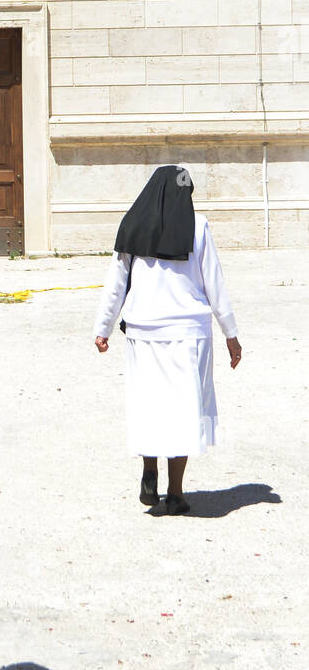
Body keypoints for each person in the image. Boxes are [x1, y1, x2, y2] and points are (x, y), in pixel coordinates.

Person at [93, 164, 242, 514]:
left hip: (143, 333)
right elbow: (215, 285)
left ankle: (149, 471)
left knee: (150, 405)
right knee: (184, 411)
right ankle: (175, 492)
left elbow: (116, 283)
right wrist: (231, 334)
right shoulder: (199, 227)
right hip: (189, 334)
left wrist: (103, 327)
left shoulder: (133, 224)